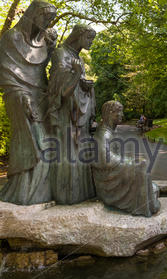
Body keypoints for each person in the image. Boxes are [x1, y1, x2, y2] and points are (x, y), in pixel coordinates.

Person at [0, 1, 57, 205]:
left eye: (51, 20)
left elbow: (42, 72)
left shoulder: (43, 41)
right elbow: (6, 74)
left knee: (51, 147)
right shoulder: (11, 38)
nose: (47, 23)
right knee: (35, 144)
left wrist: (51, 50)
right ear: (33, 15)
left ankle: (45, 190)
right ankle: (24, 193)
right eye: (45, 18)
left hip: (42, 98)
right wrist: (20, 96)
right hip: (20, 98)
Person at [47, 24, 97, 204]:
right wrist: (77, 76)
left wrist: (85, 85)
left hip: (79, 114)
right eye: (89, 38)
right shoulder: (60, 54)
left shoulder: (79, 58)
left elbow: (77, 83)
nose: (91, 42)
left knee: (81, 151)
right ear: (79, 36)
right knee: (68, 152)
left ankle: (83, 193)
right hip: (65, 114)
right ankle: (67, 196)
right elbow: (61, 91)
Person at [92, 101, 161, 217]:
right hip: (107, 180)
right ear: (110, 113)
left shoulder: (111, 131)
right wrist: (130, 162)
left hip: (113, 173)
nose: (122, 115)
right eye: (119, 112)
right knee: (141, 165)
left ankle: (146, 203)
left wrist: (130, 161)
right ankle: (142, 207)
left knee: (148, 178)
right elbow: (106, 160)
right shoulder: (103, 134)